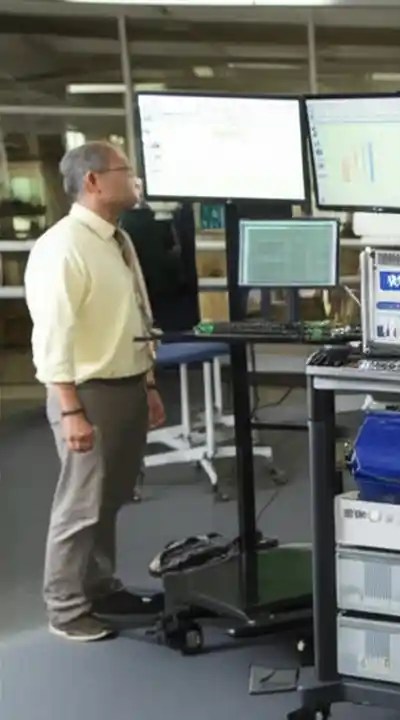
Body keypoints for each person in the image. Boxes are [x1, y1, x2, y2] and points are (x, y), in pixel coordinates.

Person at [25, 141, 167, 642]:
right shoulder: (63, 247)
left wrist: (147, 382)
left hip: (125, 383)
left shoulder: (115, 240)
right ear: (93, 181)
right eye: (126, 171)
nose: (135, 181)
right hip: (87, 392)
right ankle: (65, 608)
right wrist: (71, 411)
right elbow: (51, 339)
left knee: (109, 499)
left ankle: (100, 587)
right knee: (80, 504)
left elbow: (131, 315)